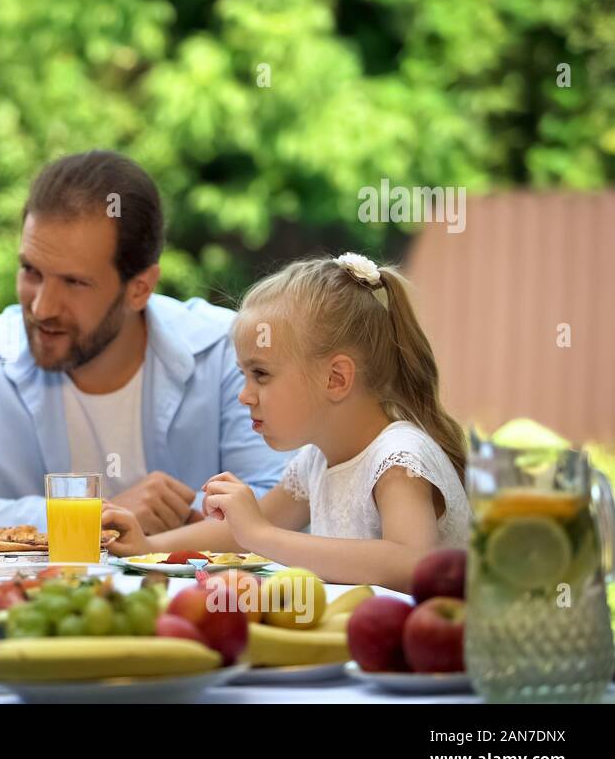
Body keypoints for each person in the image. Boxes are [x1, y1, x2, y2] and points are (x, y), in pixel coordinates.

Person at [0, 150, 290, 533]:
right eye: (31, 271)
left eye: (74, 282)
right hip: (28, 596)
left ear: (139, 289)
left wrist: (170, 510)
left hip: (199, 597)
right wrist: (88, 516)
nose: (42, 307)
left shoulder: (227, 350)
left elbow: (291, 501)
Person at [104, 253, 471, 593]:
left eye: (260, 374)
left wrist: (261, 534)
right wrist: (149, 547)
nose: (244, 395)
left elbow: (411, 563)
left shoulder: (399, 458)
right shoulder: (316, 461)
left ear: (336, 379)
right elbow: (240, 533)